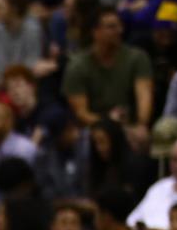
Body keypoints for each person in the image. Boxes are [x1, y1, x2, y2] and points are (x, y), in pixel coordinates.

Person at [65, 8, 156, 141]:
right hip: (95, 125)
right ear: (95, 32)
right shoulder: (78, 66)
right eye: (111, 27)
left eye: (119, 26)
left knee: (141, 135)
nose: (119, 31)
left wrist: (141, 124)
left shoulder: (137, 58)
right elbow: (81, 113)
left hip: (130, 125)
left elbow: (144, 97)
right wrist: (110, 122)